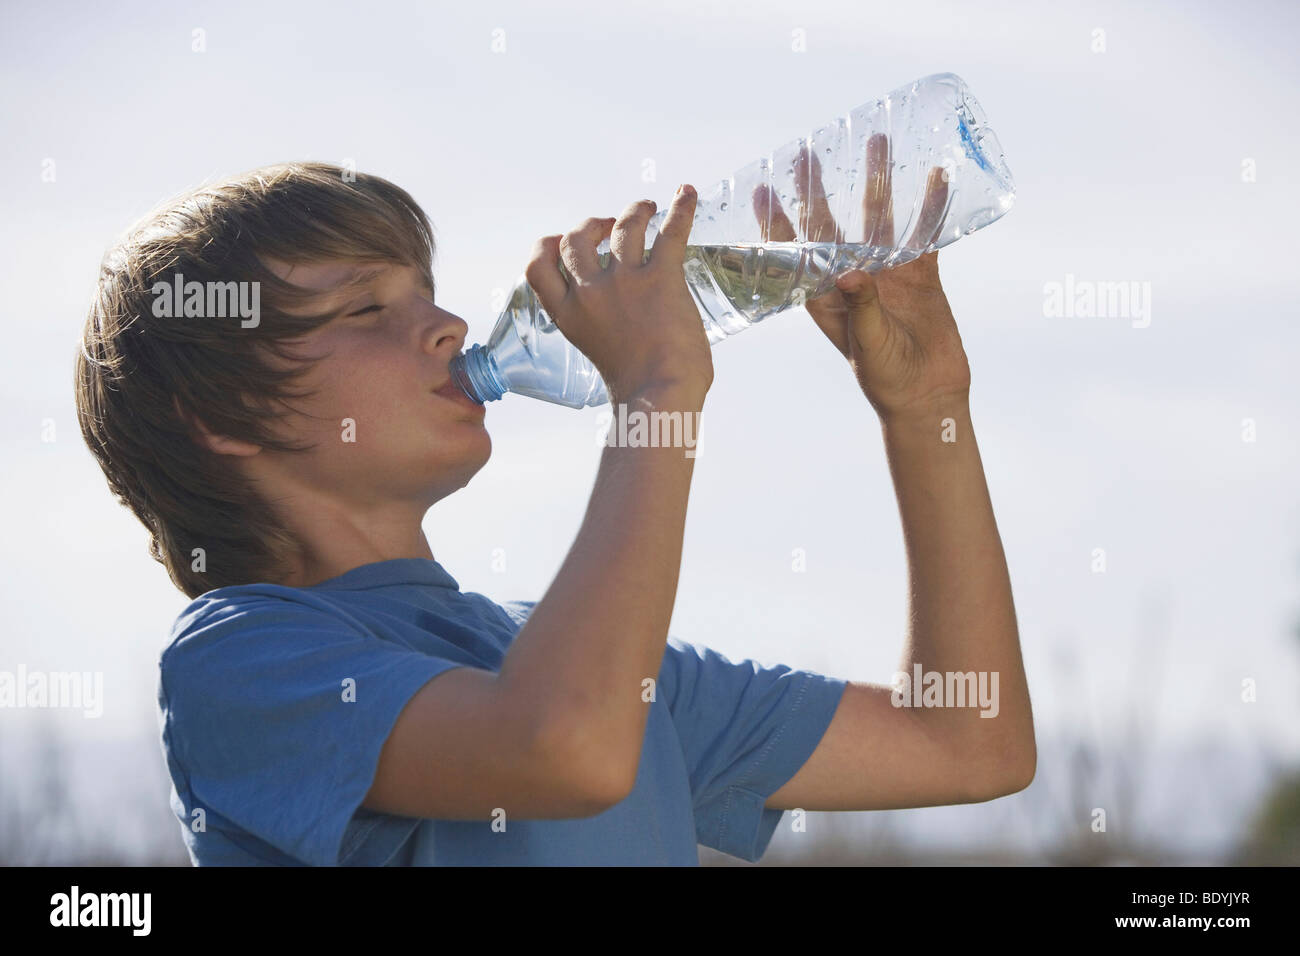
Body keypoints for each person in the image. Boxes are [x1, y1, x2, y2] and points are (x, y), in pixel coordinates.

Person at [74, 152, 1034, 865]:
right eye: (367, 309)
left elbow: (967, 742)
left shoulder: (574, 656)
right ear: (220, 416)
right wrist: (656, 393)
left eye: (429, 294)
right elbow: (565, 747)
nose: (446, 327)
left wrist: (927, 410)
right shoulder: (239, 660)